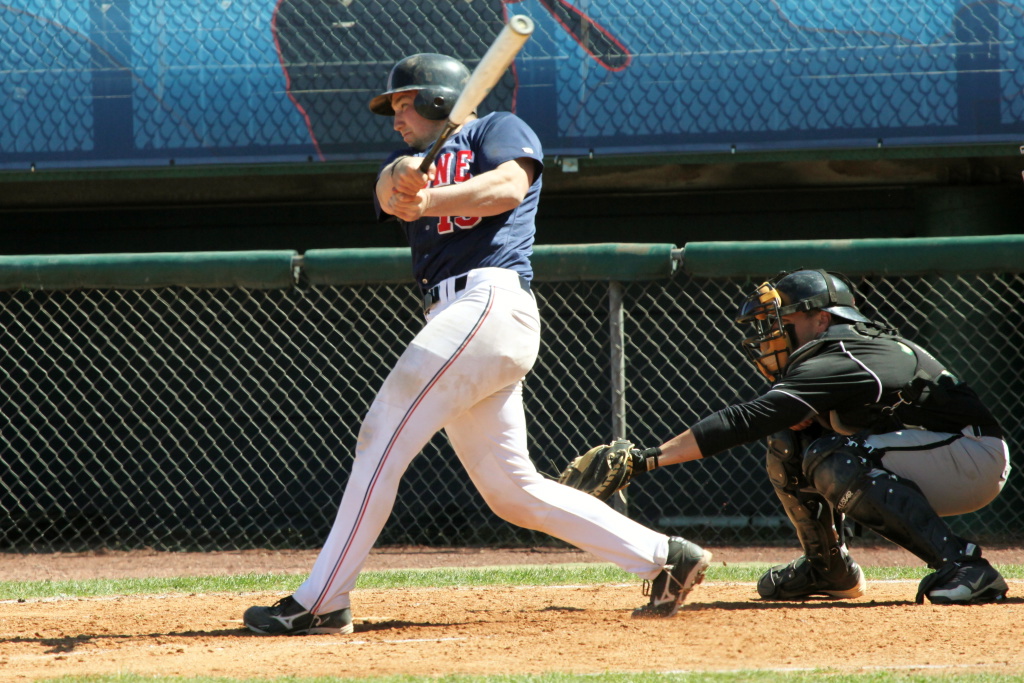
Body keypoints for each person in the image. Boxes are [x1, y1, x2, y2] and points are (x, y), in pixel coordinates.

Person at [243, 52, 712, 635]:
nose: (396, 117)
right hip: (461, 316)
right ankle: (667, 559)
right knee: (512, 492)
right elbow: (389, 190)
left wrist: (433, 198)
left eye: (405, 103)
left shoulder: (499, 129)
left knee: (380, 435)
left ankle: (322, 599)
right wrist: (404, 178)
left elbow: (506, 188)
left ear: (441, 100)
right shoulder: (409, 157)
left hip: (488, 301)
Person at [581, 269, 1010, 605]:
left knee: (833, 457)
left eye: (781, 321)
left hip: (972, 455)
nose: (769, 335)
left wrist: (647, 459)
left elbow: (749, 417)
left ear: (821, 318)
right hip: (930, 451)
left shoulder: (844, 350)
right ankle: (829, 570)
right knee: (792, 442)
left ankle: (964, 565)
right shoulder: (836, 350)